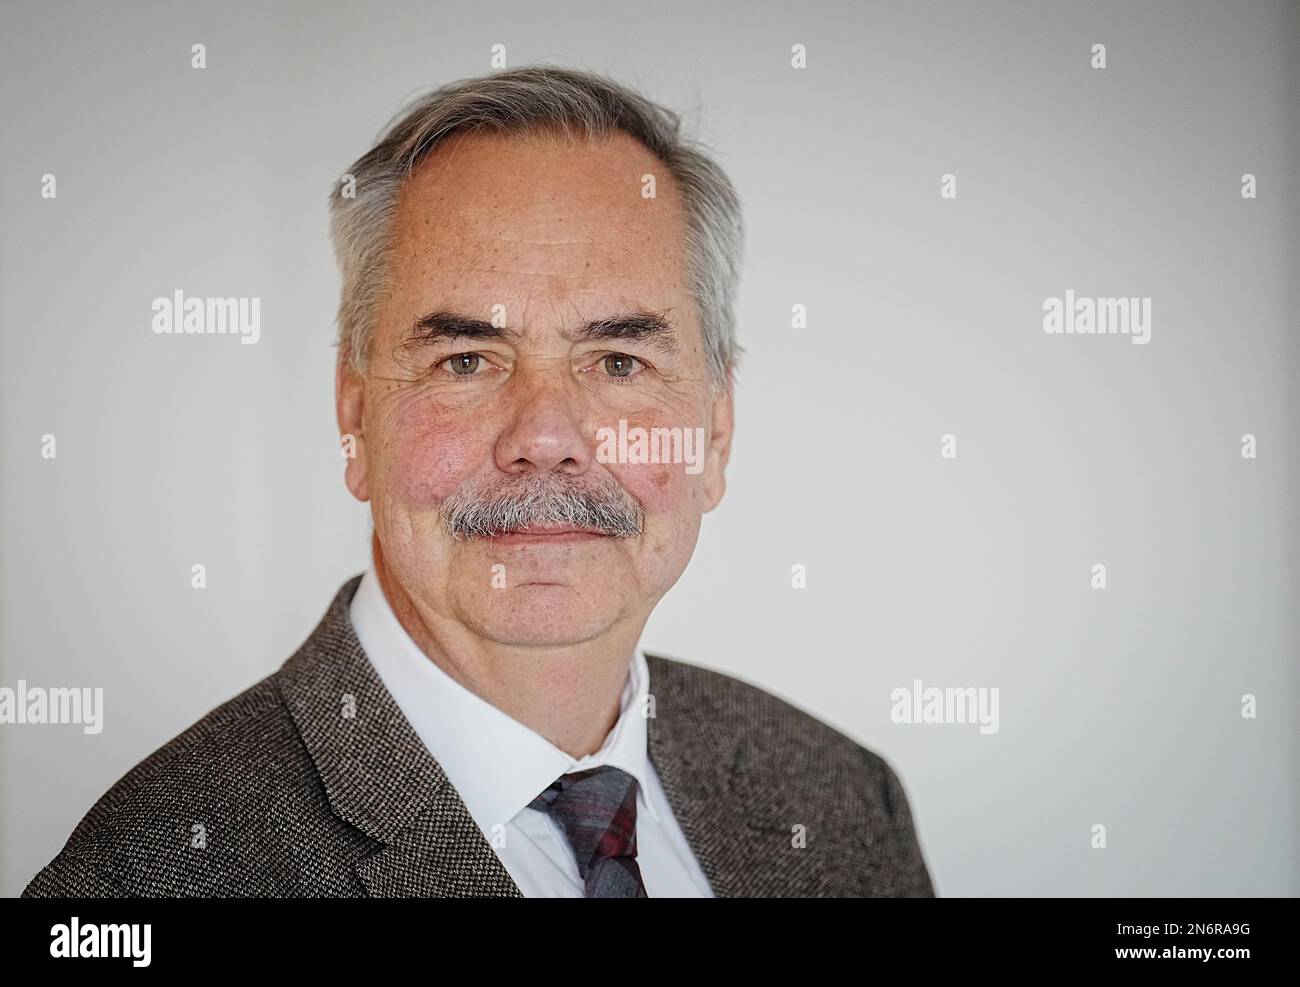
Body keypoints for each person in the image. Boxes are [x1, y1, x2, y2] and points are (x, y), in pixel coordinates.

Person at [24, 66, 934, 897]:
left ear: (718, 431)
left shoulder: (843, 802)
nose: (545, 438)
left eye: (619, 361)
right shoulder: (146, 879)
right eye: (466, 360)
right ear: (354, 417)